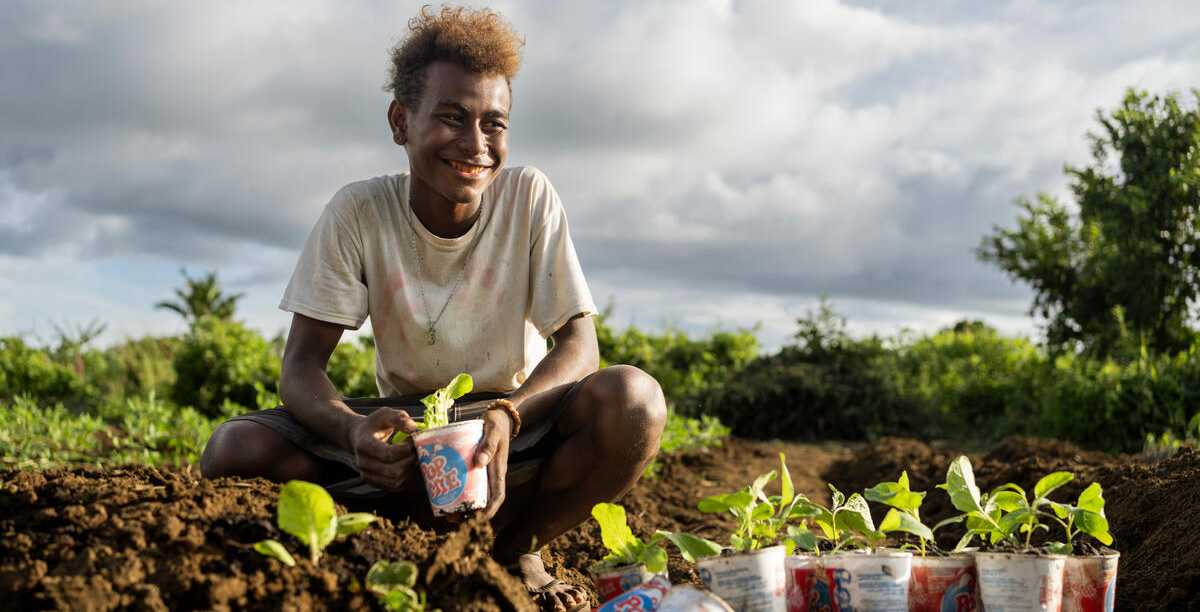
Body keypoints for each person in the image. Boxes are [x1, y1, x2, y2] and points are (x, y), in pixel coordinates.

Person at [198, 6, 667, 612]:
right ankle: (386, 547)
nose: (475, 145)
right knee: (236, 449)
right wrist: (352, 429)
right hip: (408, 435)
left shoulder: (527, 196)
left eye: (493, 124)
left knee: (633, 402)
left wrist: (508, 415)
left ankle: (515, 548)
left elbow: (580, 347)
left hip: (510, 427)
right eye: (451, 118)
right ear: (401, 121)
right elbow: (301, 368)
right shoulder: (360, 212)